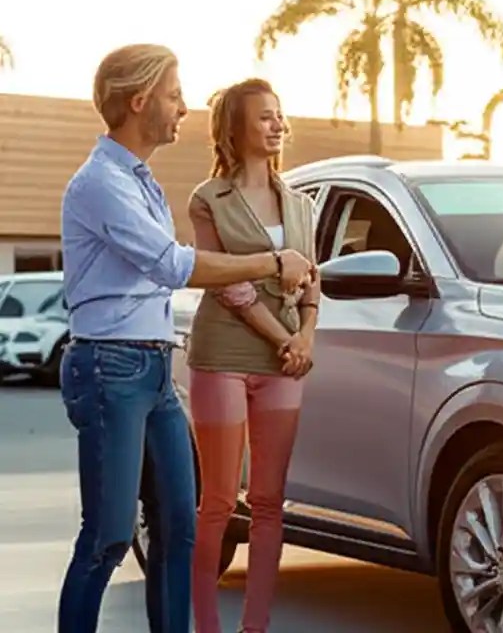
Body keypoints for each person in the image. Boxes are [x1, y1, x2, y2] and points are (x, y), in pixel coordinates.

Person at [57, 44, 314, 633]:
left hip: (150, 368)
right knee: (108, 536)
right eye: (173, 95)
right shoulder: (101, 183)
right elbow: (174, 265)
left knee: (178, 526)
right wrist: (271, 262)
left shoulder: (139, 180)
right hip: (109, 368)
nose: (183, 107)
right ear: (139, 101)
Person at [186, 78, 319, 633]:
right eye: (263, 116)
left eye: (279, 115)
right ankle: (208, 626)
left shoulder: (302, 206)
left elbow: (312, 282)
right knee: (218, 500)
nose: (276, 124)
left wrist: (306, 335)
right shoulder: (207, 199)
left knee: (269, 501)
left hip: (284, 363)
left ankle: (255, 627)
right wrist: (283, 337)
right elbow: (227, 287)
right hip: (222, 356)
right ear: (234, 130)